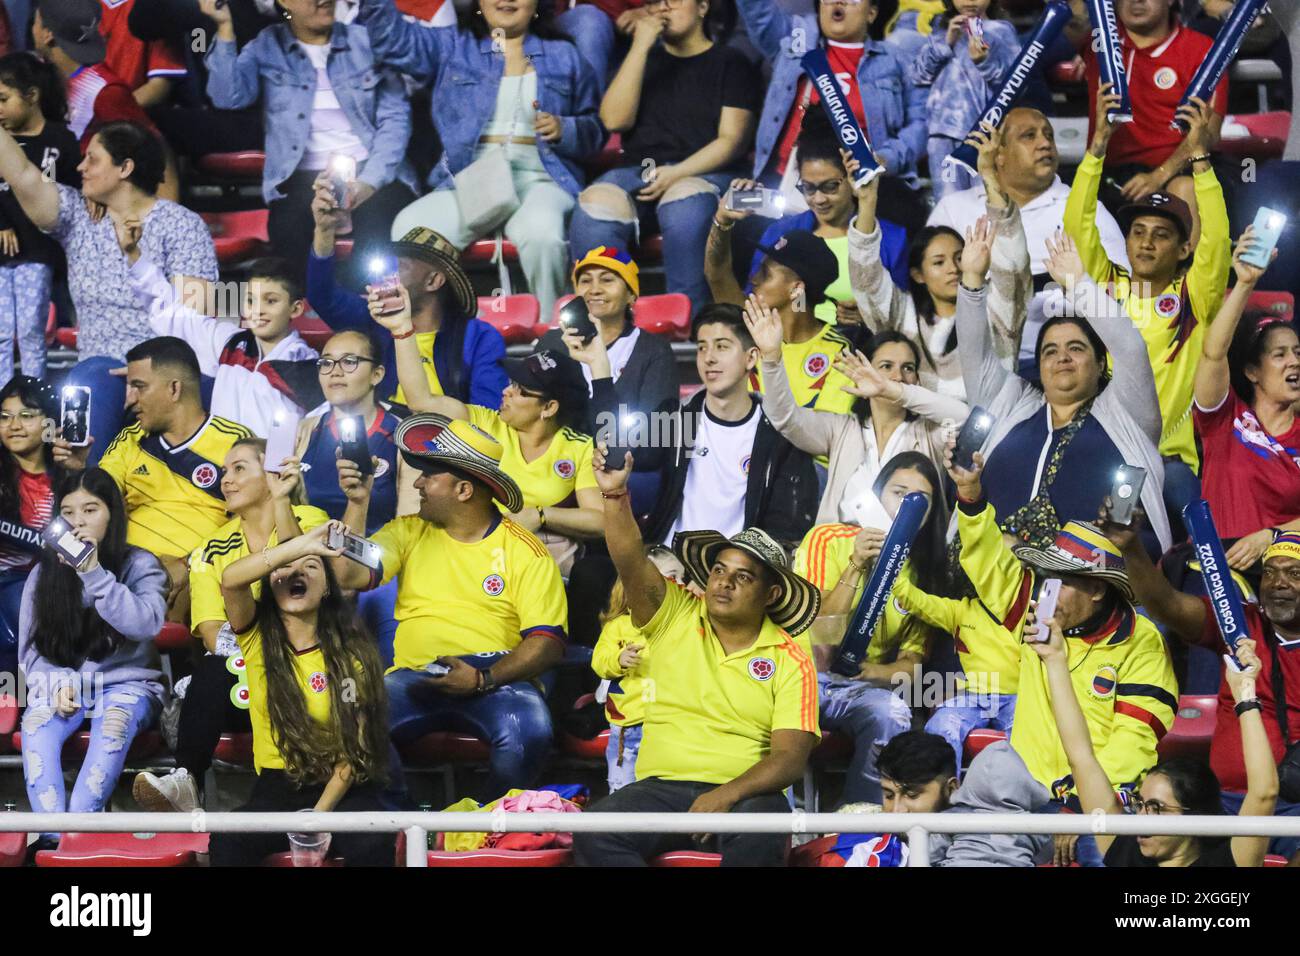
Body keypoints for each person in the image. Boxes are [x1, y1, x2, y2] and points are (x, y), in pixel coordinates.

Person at [573, 447, 820, 867]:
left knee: (762, 834)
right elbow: (630, 558)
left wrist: (724, 795)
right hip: (660, 788)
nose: (723, 584)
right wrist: (615, 497)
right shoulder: (676, 613)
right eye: (719, 570)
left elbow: (789, 759)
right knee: (594, 833)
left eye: (743, 577)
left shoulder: (791, 657)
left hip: (746, 795)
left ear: (771, 594)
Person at [330, 414, 568, 797]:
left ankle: (478, 831)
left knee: (531, 731)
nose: (418, 483)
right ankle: (404, 831)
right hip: (415, 676)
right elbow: (347, 576)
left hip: (498, 677)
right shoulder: (406, 531)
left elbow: (547, 643)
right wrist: (358, 502)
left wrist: (482, 678)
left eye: (430, 475)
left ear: (462, 490)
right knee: (349, 718)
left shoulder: (527, 552)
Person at [945, 444, 1177, 818]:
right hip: (1022, 793)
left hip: (1098, 803)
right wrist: (971, 497)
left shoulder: (1142, 641)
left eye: (1063, 581)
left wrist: (1079, 801)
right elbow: (989, 564)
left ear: (1099, 589)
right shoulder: (1036, 615)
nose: (1048, 590)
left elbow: (1134, 742)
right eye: (1047, 577)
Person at [359, 0, 603, 319]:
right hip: (469, 180)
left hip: (542, 179)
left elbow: (595, 131)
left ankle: (552, 335)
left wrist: (565, 128)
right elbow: (389, 38)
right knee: (410, 225)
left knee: (543, 234)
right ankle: (438, 334)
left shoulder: (565, 55)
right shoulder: (453, 46)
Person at [0, 118, 217, 459]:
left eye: (93, 159)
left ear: (125, 168)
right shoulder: (77, 218)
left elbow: (196, 318)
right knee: (85, 383)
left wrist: (146, 372)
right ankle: (85, 497)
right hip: (99, 370)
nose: (80, 166)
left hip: (165, 369)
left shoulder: (181, 225)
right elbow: (23, 175)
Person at [132, 438, 327, 812]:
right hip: (245, 680)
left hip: (310, 678)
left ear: (271, 473)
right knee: (214, 665)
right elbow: (212, 632)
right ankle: (185, 780)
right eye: (224, 471)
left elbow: (307, 576)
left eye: (239, 469)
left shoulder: (312, 520)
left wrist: (282, 501)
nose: (226, 480)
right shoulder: (209, 550)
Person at [1066, 89, 1230, 521]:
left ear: (1182, 249)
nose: (1146, 241)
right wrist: (1097, 148)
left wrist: (1201, 162)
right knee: (1097, 539)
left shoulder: (1193, 300)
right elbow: (1077, 224)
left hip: (1168, 461)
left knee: (1196, 530)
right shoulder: (1106, 284)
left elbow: (1216, 244)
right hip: (1107, 449)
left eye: (1161, 234)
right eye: (1138, 231)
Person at [956, 223, 1171, 552]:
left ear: (1101, 364)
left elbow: (1130, 348)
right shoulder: (1011, 403)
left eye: (1077, 348)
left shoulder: (1126, 411)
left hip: (1092, 584)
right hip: (993, 576)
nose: (1063, 358)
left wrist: (1079, 286)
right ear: (1039, 366)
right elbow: (974, 354)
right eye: (1050, 351)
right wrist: (972, 282)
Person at [1100, 507, 1300, 861]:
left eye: (1294, 573)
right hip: (1218, 805)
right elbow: (1167, 606)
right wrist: (1132, 549)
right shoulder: (1237, 623)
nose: (1278, 583)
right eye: (1269, 573)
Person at [374, 289, 602, 575]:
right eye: (511, 383)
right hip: (479, 550)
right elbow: (422, 401)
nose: (506, 391)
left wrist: (541, 515)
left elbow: (599, 520)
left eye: (521, 390)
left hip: (545, 558)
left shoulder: (578, 447)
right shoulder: (486, 423)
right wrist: (402, 330)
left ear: (549, 407)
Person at [209, 519, 393, 867]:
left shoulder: (354, 655)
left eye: (311, 566)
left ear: (326, 587)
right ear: (271, 585)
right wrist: (303, 544)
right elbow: (231, 579)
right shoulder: (256, 638)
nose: (297, 573)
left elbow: (354, 754)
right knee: (228, 841)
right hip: (278, 785)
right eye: (284, 568)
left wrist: (316, 818)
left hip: (342, 787)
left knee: (371, 845)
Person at [1031, 612, 1276, 868]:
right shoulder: (1125, 853)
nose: (1142, 818)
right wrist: (1054, 659)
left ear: (1194, 817)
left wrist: (1244, 692)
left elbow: (1264, 793)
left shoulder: (1225, 864)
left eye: (1156, 808)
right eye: (1141, 805)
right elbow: (1081, 757)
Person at [202, 0, 419, 283]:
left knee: (378, 234)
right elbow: (227, 97)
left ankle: (364, 315)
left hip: (371, 168)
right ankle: (306, 316)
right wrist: (224, 28)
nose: (323, 1)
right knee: (289, 238)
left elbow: (396, 120)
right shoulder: (267, 45)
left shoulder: (368, 41)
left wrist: (368, 183)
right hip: (301, 175)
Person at [568, 0, 761, 313]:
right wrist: (640, 47)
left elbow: (732, 141)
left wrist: (679, 172)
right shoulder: (642, 61)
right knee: (595, 206)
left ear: (702, 8)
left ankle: (687, 320)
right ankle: (604, 323)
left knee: (683, 205)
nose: (664, 7)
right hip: (640, 169)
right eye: (657, 2)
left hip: (707, 169)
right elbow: (614, 121)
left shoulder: (731, 61)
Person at [18, 468, 167, 851]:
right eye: (68, 513)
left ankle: (77, 839)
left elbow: (146, 623)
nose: (78, 522)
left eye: (90, 510)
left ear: (112, 515)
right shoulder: (42, 575)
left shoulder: (141, 564)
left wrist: (94, 573)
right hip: (66, 687)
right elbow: (32, 654)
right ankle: (52, 842)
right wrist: (56, 682)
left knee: (113, 727)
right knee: (35, 725)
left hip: (130, 685)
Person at [54, 337, 255, 622]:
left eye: (139, 387)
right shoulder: (130, 439)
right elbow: (101, 498)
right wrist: (80, 469)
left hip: (195, 572)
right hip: (124, 564)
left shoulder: (235, 443)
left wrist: (190, 563)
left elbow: (255, 522)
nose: (130, 399)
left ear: (174, 389)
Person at [793, 452, 949, 804]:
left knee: (891, 712)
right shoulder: (827, 538)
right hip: (802, 676)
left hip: (857, 685)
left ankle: (862, 823)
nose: (905, 506)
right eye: (898, 492)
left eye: (919, 502)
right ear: (877, 494)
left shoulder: (924, 574)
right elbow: (819, 632)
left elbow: (911, 667)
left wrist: (870, 673)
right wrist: (856, 565)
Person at [927, 106, 1129, 370]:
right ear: (998, 154)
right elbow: (926, 283)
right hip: (971, 361)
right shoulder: (954, 208)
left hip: (1060, 362)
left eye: (1049, 135)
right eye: (1029, 136)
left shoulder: (1083, 207)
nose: (1044, 143)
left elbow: (1123, 288)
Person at [850, 127, 1028, 400]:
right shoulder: (902, 314)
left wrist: (990, 178)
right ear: (918, 275)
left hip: (993, 432)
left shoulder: (995, 308)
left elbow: (1013, 266)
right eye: (938, 262)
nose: (953, 268)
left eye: (959, 257)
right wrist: (866, 202)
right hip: (921, 437)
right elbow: (866, 279)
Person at [752, 305, 969, 525]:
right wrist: (771, 358)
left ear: (917, 381)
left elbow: (962, 416)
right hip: (841, 553)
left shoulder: (930, 434)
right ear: (861, 374)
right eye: (886, 366)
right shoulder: (841, 429)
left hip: (910, 554)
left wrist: (894, 390)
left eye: (908, 368)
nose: (897, 376)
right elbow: (784, 417)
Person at [735, 0, 929, 235]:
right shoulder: (795, 44)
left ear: (872, 13)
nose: (838, 2)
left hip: (862, 183)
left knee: (905, 223)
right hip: (787, 180)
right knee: (737, 216)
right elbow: (757, 11)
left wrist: (885, 159)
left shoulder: (897, 60)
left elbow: (920, 124)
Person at [120, 217, 322, 437]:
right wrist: (134, 256)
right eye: (251, 300)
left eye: (271, 301)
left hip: (272, 469)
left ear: (296, 309)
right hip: (221, 467)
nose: (258, 310)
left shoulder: (306, 366)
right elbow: (171, 313)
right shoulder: (230, 343)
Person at [308, 187, 508, 410]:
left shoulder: (480, 338)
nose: (389, 275)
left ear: (434, 281)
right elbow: (322, 296)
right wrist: (324, 230)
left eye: (401, 267)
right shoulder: (375, 322)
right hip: (386, 440)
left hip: (450, 440)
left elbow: (488, 412)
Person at [642, 304, 820, 549]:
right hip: (668, 562)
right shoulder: (676, 419)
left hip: (737, 571)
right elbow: (624, 460)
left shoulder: (779, 435)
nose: (709, 357)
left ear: (751, 358)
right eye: (702, 347)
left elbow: (787, 528)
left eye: (722, 346)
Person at [706, 117, 909, 326]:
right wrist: (722, 220)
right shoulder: (780, 234)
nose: (819, 199)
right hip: (793, 348)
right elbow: (755, 303)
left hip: (866, 350)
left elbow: (903, 316)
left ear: (852, 178)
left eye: (830, 186)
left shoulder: (892, 239)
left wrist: (870, 317)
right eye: (808, 188)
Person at [1192, 228, 1300, 567]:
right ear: (1252, 371)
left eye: (1298, 352)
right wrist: (1244, 284)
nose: (1294, 360)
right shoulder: (1224, 419)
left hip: (1285, 575)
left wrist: (1273, 535)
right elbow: (1213, 353)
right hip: (1218, 574)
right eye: (1280, 354)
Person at [1071, 0, 1228, 215]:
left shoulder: (1202, 50)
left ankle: (1190, 250)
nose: (1136, 1)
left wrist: (1160, 175)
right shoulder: (1097, 42)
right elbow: (1068, 15)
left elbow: (1209, 133)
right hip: (1108, 173)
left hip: (1176, 170)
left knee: (1185, 189)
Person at [31, 0, 179, 197]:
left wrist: (167, 212)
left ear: (47, 34)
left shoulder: (103, 91)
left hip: (82, 206)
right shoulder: (32, 77)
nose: (31, 30)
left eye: (35, 23)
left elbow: (155, 146)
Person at [0, 52, 80, 384]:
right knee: (2, 334)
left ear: (32, 96)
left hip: (39, 251)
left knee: (32, 329)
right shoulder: (3, 142)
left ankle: (33, 398)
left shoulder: (60, 139)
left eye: (3, 99)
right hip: (2, 255)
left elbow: (74, 193)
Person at [590, 544, 687, 792]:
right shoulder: (618, 627)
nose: (680, 584)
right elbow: (599, 661)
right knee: (623, 790)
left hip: (670, 726)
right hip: (630, 726)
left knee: (662, 791)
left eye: (682, 577)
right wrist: (618, 659)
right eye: (671, 577)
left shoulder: (686, 623)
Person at [877, 730, 1052, 866]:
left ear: (952, 788)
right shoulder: (865, 839)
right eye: (888, 795)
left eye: (912, 795)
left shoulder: (949, 823)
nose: (896, 810)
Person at [733, 229, 859, 416]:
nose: (754, 279)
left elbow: (826, 434)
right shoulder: (746, 341)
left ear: (796, 290)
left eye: (765, 274)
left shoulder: (839, 354)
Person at [908, 0, 1019, 199]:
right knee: (948, 203)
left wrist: (984, 62)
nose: (969, 1)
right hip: (941, 133)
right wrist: (946, 43)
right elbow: (918, 74)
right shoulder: (940, 31)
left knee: (986, 201)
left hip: (984, 135)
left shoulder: (1001, 31)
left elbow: (1016, 83)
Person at [0, 376, 60, 682]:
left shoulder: (66, 477)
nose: (14, 425)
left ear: (50, 423)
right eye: (5, 416)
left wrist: (76, 472)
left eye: (26, 416)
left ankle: (18, 702)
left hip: (42, 582)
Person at [99, 0, 187, 108]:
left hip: (128, 118)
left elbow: (160, 85)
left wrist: (113, 111)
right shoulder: (79, 6)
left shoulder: (154, 8)